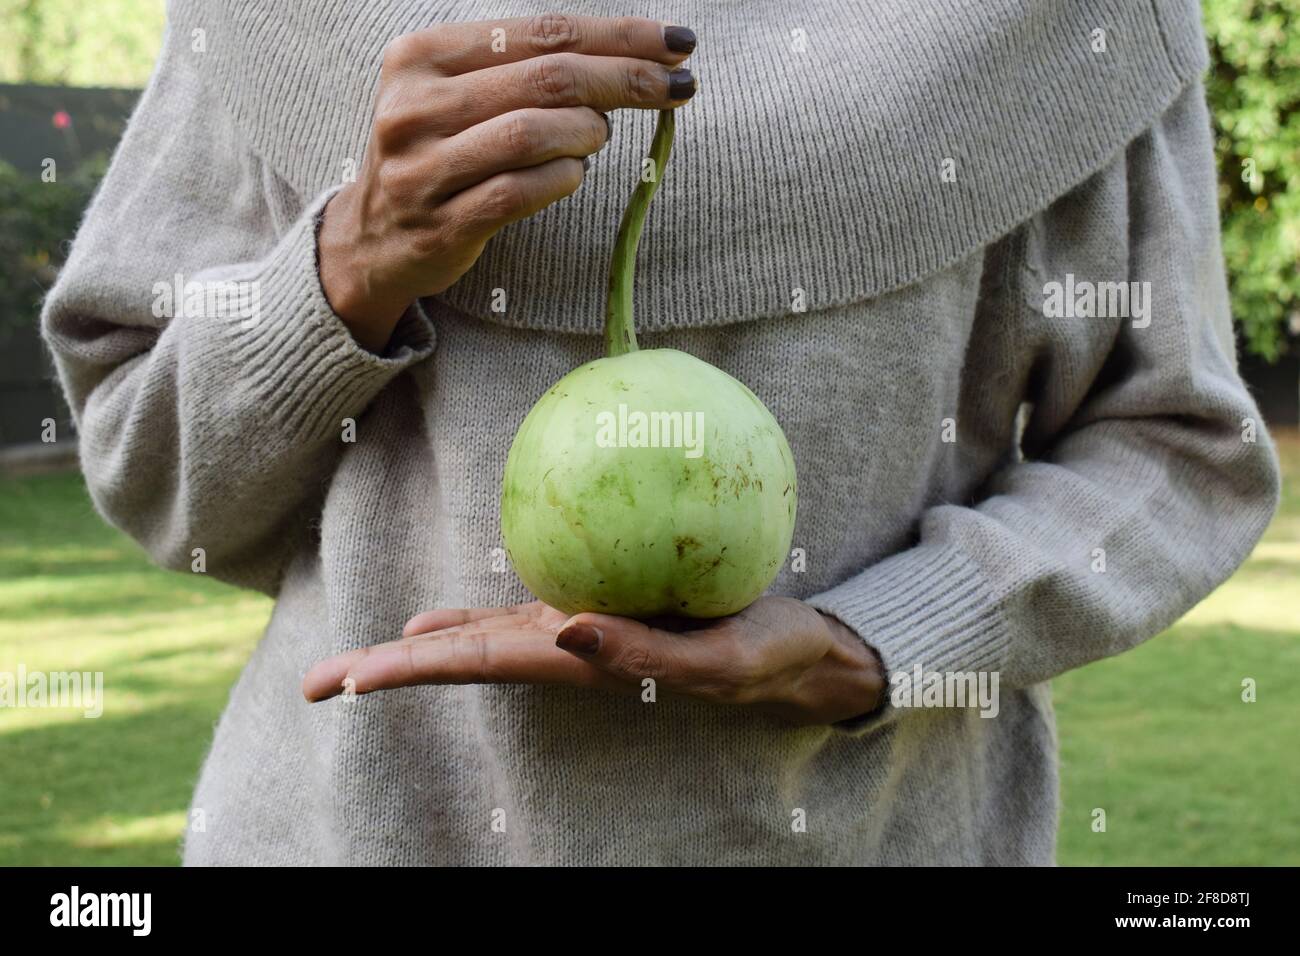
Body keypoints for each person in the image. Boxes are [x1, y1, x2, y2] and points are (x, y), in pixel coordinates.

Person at [43, 0, 1280, 865]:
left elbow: (1176, 445)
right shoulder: (282, 20)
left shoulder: (1063, 25)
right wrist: (351, 260)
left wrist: (872, 641)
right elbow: (157, 483)